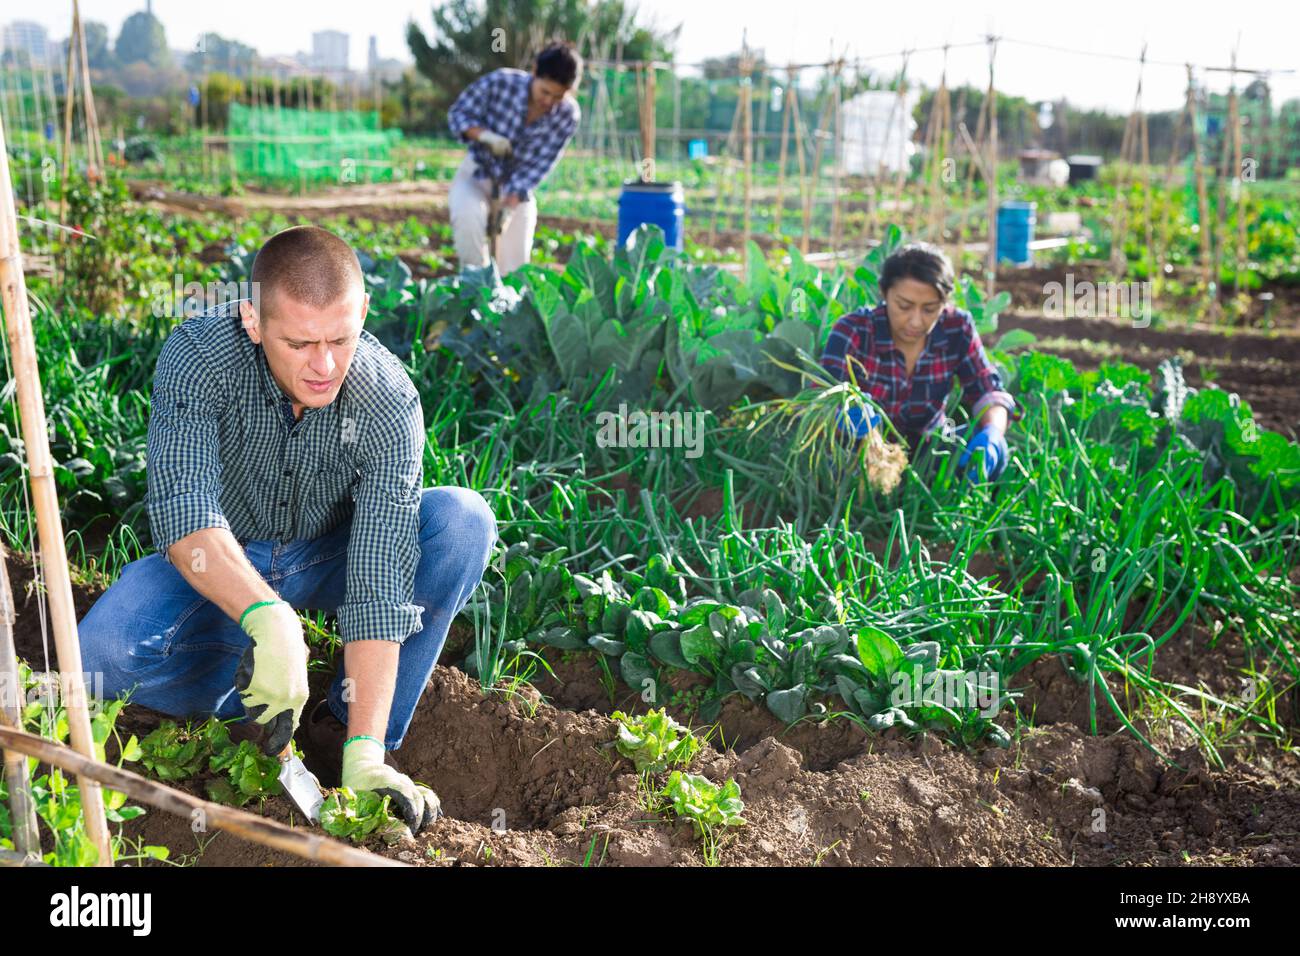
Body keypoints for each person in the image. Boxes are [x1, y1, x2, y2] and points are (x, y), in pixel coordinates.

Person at [77, 226, 498, 834]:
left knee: (462, 522)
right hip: (221, 562)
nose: (324, 366)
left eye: (340, 339)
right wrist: (268, 619)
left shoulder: (388, 401)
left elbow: (381, 580)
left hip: (328, 558)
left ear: (363, 315)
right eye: (300, 343)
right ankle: (252, 705)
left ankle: (345, 736)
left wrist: (366, 755)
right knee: (104, 654)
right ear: (252, 319)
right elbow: (183, 512)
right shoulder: (200, 357)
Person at [819, 242, 1018, 480]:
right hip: (863, 454)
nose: (915, 321)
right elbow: (818, 402)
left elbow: (988, 391)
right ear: (884, 293)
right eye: (904, 306)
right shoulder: (854, 330)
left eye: (929, 309)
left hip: (930, 451)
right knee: (832, 467)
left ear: (945, 303)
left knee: (975, 451)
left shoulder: (956, 328)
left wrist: (993, 434)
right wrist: (840, 416)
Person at [446, 42, 583, 274]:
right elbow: (458, 114)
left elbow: (541, 165)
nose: (549, 101)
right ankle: (475, 292)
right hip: (477, 174)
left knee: (515, 267)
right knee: (468, 220)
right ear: (534, 71)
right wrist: (486, 136)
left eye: (558, 96)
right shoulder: (501, 83)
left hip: (516, 190)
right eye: (545, 92)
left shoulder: (568, 115)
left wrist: (509, 206)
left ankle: (505, 305)